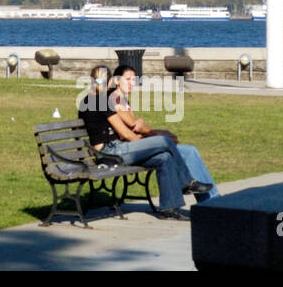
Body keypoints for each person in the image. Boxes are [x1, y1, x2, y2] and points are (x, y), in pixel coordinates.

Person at [78, 64, 207, 219]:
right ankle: (187, 183)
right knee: (164, 141)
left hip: (115, 149)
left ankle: (169, 208)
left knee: (164, 158)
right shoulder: (99, 100)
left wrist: (141, 141)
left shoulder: (92, 100)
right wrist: (141, 142)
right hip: (110, 153)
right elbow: (124, 132)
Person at [109, 65, 220, 202]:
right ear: (117, 81)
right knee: (185, 150)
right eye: (128, 79)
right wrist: (157, 133)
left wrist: (149, 130)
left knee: (190, 151)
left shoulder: (124, 100)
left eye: (134, 80)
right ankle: (210, 201)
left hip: (138, 145)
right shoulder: (115, 99)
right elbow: (135, 127)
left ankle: (213, 201)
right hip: (129, 150)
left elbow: (137, 128)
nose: (132, 83)